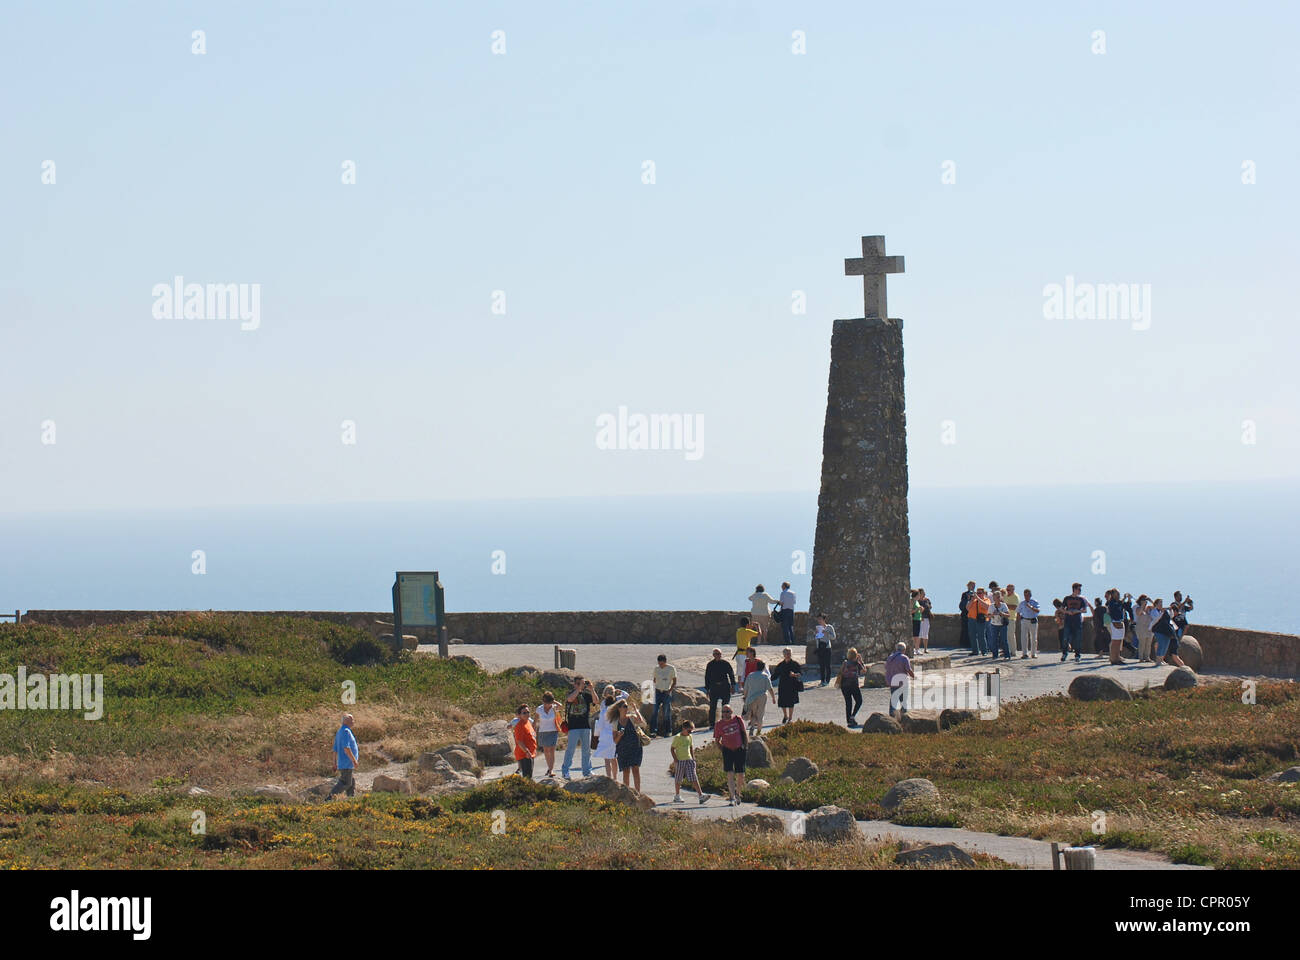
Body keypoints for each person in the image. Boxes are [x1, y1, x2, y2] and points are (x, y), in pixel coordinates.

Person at [712, 704, 748, 806]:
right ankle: (731, 797)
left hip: (739, 749)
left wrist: (745, 746)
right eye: (723, 712)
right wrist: (722, 749)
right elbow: (717, 739)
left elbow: (744, 733)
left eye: (727, 711)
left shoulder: (737, 719)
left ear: (731, 712)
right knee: (730, 773)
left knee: (740, 773)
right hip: (727, 750)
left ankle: (738, 793)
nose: (725, 714)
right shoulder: (719, 724)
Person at [561, 675, 597, 779]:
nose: (582, 685)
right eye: (579, 683)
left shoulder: (586, 695)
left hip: (585, 725)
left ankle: (587, 771)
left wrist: (592, 689)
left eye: (583, 683)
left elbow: (595, 701)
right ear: (575, 684)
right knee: (570, 750)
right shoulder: (571, 693)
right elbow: (570, 699)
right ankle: (565, 771)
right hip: (573, 727)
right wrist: (578, 689)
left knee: (586, 750)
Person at [671, 721, 708, 804]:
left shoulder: (690, 737)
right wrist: (675, 759)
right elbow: (672, 749)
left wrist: (693, 757)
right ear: (683, 728)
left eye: (691, 731)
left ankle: (700, 795)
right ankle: (677, 795)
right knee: (679, 778)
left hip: (689, 759)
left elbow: (691, 747)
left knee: (693, 776)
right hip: (680, 760)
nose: (690, 733)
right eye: (689, 731)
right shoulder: (678, 737)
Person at [610, 700, 643, 792]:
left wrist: (636, 710)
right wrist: (619, 736)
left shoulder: (631, 718)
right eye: (624, 706)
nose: (626, 708)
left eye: (627, 706)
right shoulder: (615, 722)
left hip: (635, 747)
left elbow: (640, 721)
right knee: (626, 771)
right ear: (619, 708)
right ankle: (627, 794)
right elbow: (614, 741)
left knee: (635, 769)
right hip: (623, 749)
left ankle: (637, 793)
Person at [593, 686, 623, 778]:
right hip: (614, 733)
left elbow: (600, 725)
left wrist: (597, 734)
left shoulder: (603, 711)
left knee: (606, 759)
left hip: (605, 734)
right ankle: (615, 777)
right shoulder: (616, 710)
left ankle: (609, 777)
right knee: (614, 757)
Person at [329, 713, 359, 798]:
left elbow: (335, 750)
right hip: (347, 763)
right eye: (352, 720)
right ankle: (329, 798)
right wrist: (354, 761)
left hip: (343, 763)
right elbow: (346, 748)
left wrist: (334, 763)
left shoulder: (339, 731)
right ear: (346, 721)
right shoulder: (346, 731)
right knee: (346, 783)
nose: (353, 721)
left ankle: (351, 800)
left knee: (351, 783)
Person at [703, 648, 735, 729]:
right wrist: (707, 689)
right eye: (716, 654)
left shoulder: (725, 663)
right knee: (713, 706)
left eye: (719, 654)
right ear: (713, 655)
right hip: (714, 687)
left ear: (721, 655)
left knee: (726, 706)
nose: (718, 655)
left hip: (724, 686)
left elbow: (731, 674)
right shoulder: (710, 664)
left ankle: (725, 722)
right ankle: (712, 724)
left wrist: (733, 685)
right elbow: (707, 677)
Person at [743, 659, 775, 737]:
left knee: (753, 715)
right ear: (763, 667)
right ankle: (759, 732)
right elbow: (770, 688)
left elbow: (745, 688)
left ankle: (752, 728)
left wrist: (745, 696)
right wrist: (773, 698)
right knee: (760, 715)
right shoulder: (765, 676)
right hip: (762, 697)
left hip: (751, 698)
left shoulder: (750, 675)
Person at [1150, 600, 1185, 668]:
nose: (1161, 605)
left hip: (1165, 630)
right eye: (1160, 603)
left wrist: (1170, 610)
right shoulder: (1154, 611)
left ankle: (1161, 659)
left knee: (1165, 644)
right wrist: (1162, 613)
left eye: (1162, 603)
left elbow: (1171, 616)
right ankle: (1158, 661)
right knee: (1161, 643)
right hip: (1158, 630)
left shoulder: (1164, 611)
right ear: (1156, 604)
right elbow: (1156, 619)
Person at [771, 648, 802, 724]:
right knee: (782, 702)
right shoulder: (781, 665)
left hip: (792, 685)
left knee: (791, 702)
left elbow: (800, 674)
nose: (788, 655)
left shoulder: (795, 664)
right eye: (786, 654)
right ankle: (785, 715)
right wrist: (767, 679)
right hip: (783, 685)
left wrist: (794, 674)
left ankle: (790, 718)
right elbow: (775, 675)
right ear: (783, 655)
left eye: (789, 654)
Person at [534, 691, 561, 777]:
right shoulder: (539, 709)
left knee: (552, 750)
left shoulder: (554, 707)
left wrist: (554, 701)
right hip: (543, 731)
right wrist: (533, 730)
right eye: (546, 703)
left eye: (549, 703)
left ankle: (551, 769)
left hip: (553, 731)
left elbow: (561, 706)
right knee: (546, 750)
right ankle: (549, 767)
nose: (547, 705)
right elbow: (535, 721)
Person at [1061, 584, 1089, 662]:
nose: (1080, 591)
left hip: (1077, 621)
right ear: (1074, 589)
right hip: (1068, 621)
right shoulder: (1067, 598)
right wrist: (1067, 612)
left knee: (1078, 639)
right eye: (1079, 589)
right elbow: (1062, 608)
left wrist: (1077, 611)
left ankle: (1077, 655)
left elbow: (1085, 610)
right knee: (1065, 638)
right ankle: (1064, 653)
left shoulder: (1081, 599)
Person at [650, 653, 677, 737]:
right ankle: (653, 731)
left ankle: (668, 731)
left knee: (666, 712)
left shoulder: (671, 668)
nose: (660, 665)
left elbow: (674, 681)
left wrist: (670, 690)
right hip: (658, 691)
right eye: (659, 663)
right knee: (655, 712)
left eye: (662, 663)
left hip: (666, 692)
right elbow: (654, 679)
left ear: (665, 662)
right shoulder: (656, 669)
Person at [838, 647, 865, 727]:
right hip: (853, 685)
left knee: (848, 703)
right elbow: (864, 671)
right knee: (859, 701)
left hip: (844, 685)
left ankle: (849, 720)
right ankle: (852, 716)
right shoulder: (857, 663)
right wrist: (861, 660)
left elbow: (841, 672)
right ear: (856, 655)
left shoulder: (845, 663)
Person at [508, 704, 537, 779]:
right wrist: (526, 752)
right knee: (527, 777)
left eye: (528, 712)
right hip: (524, 755)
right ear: (519, 715)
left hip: (530, 753)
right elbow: (519, 741)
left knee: (529, 776)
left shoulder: (528, 723)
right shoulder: (519, 726)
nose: (527, 714)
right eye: (524, 713)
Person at [885, 642, 914, 716]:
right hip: (901, 682)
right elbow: (908, 670)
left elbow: (886, 668)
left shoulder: (890, 657)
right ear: (904, 650)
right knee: (903, 699)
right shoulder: (904, 658)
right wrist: (913, 676)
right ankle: (904, 715)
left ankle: (891, 715)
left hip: (892, 682)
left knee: (893, 699)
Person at [734, 616, 758, 694]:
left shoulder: (738, 631)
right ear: (747, 624)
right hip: (745, 654)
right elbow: (759, 634)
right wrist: (758, 626)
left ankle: (740, 687)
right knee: (745, 671)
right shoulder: (748, 632)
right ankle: (746, 687)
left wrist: (750, 626)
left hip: (738, 654)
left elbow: (746, 629)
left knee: (740, 671)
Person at [812, 613, 837, 684]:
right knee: (821, 665)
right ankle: (822, 680)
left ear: (824, 619)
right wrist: (816, 634)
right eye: (818, 619)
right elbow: (817, 638)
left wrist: (827, 633)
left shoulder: (829, 627)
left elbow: (834, 637)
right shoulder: (818, 627)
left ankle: (827, 680)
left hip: (827, 647)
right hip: (820, 647)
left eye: (820, 619)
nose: (819, 621)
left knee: (827, 665)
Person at [1016, 588, 1040, 659]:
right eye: (1025, 595)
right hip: (1024, 620)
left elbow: (1037, 610)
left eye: (1028, 595)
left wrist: (1031, 607)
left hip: (1033, 620)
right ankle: (1025, 653)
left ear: (1030, 595)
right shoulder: (1022, 603)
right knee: (1024, 637)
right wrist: (1019, 619)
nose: (1026, 596)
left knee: (1033, 638)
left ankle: (1033, 653)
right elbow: (1018, 611)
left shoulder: (1034, 602)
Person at [967, 587, 991, 656]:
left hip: (981, 619)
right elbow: (967, 608)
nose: (978, 594)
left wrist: (978, 599)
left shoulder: (986, 600)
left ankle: (984, 651)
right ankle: (975, 651)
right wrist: (971, 600)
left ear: (984, 593)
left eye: (980, 593)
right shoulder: (973, 600)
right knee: (972, 635)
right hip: (972, 619)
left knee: (981, 636)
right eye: (977, 593)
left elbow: (987, 607)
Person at [988, 589, 1011, 660]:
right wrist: (993, 614)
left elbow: (1008, 614)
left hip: (1002, 625)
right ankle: (995, 655)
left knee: (1004, 640)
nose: (997, 599)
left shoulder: (1004, 605)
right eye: (996, 597)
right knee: (994, 640)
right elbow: (988, 616)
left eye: (998, 597)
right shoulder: (991, 606)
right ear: (993, 598)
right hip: (994, 625)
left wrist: (1002, 613)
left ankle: (1007, 655)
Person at [1106, 589, 1127, 664]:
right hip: (1115, 622)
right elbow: (1116, 606)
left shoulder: (1117, 602)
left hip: (1120, 621)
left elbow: (1125, 606)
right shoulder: (1111, 602)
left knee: (1119, 641)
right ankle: (1113, 658)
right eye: (1117, 593)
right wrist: (1123, 600)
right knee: (1115, 641)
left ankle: (1117, 657)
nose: (1118, 594)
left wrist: (1127, 599)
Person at [1133, 595, 1155, 662]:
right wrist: (1142, 605)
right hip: (1141, 627)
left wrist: (1151, 601)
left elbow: (1156, 607)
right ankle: (1141, 657)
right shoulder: (1137, 607)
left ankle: (1147, 657)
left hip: (1148, 627)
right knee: (1142, 643)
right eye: (1143, 600)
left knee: (1148, 643)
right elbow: (1139, 613)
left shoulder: (1148, 608)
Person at [778, 582, 797, 647]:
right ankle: (792, 640)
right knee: (790, 626)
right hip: (791, 610)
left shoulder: (783, 593)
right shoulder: (793, 593)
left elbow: (781, 603)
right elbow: (794, 602)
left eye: (782, 586)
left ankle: (787, 641)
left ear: (784, 586)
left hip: (785, 610)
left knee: (785, 627)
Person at [1003, 584, 1020, 656]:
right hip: (1005, 618)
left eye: (1009, 590)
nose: (1007, 591)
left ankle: (1013, 652)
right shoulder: (1005, 596)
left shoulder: (1015, 597)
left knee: (1011, 635)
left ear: (1013, 590)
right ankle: (1008, 651)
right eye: (1007, 590)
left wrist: (1005, 605)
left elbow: (1015, 607)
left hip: (1011, 618)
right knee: (1006, 636)